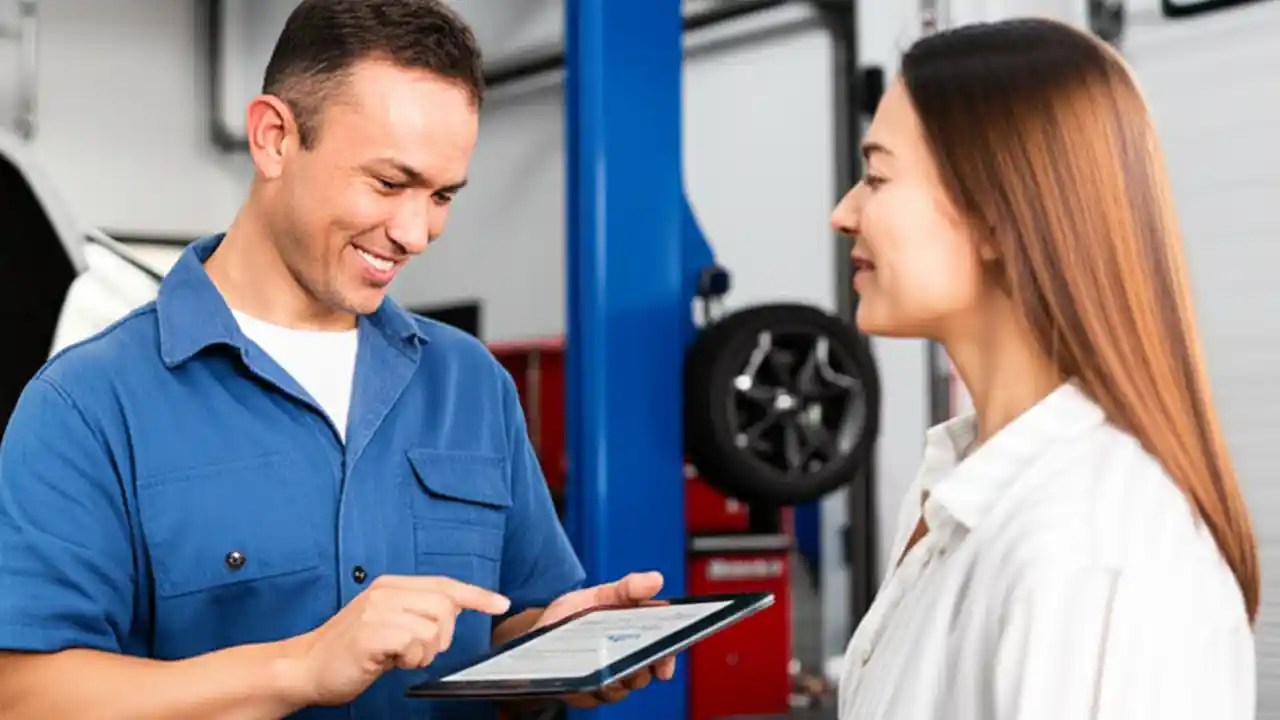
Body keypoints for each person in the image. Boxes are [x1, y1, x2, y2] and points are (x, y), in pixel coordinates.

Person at [0, 1, 673, 718]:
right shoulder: (88, 404)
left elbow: (511, 617)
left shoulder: (470, 384)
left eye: (442, 194)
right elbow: (25, 695)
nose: (416, 231)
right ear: (273, 139)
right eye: (388, 183)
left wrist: (555, 645)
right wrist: (301, 666)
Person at [831, 18, 1256, 720]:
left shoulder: (1092, 546)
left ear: (997, 218)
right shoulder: (958, 488)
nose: (844, 212)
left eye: (876, 176)